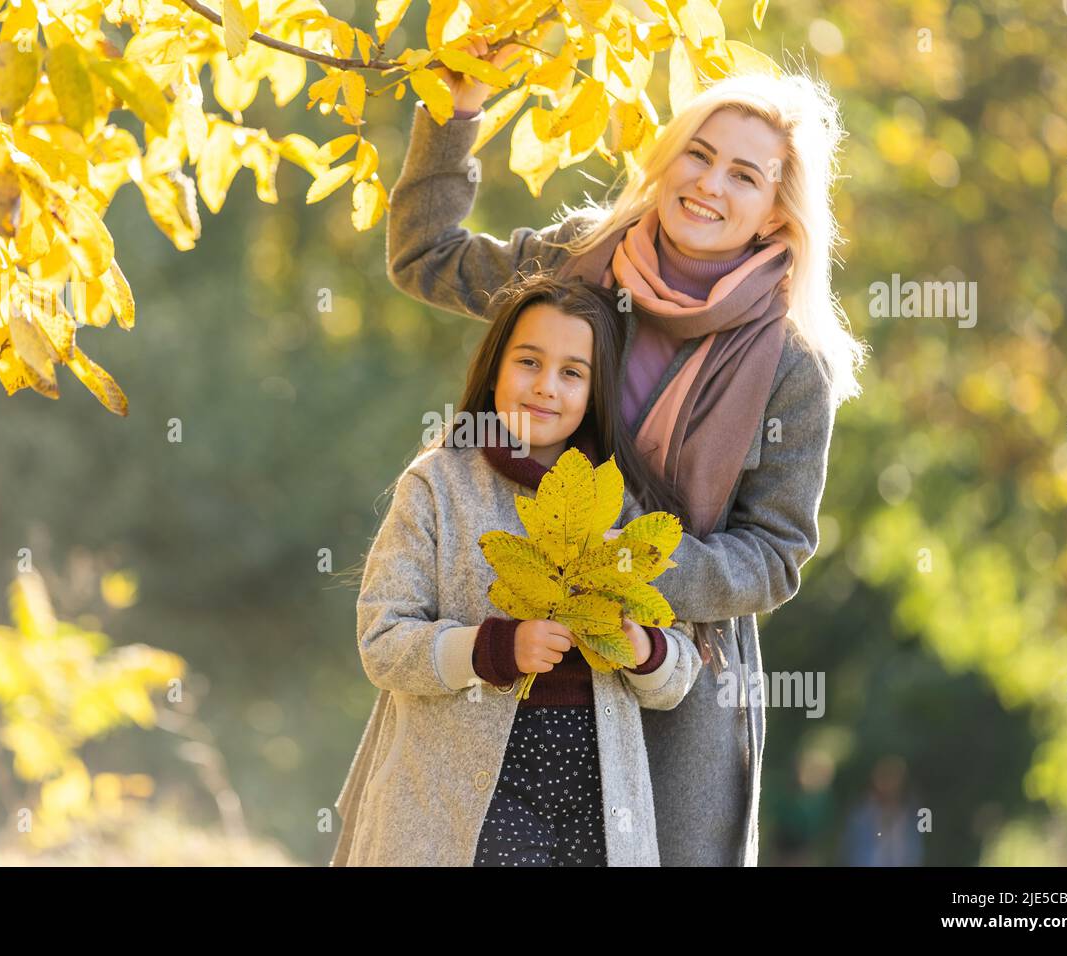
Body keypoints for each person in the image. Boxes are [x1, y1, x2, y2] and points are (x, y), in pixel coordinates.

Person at [385, 38, 868, 865]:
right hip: (510, 631)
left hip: (669, 670)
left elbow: (775, 555)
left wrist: (636, 573)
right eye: (699, 155)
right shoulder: (585, 255)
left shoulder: (794, 364)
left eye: (744, 176)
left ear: (778, 213)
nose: (709, 185)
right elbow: (425, 258)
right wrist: (452, 113)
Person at [332, 275, 700, 866]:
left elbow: (681, 670)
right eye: (529, 361)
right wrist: (495, 648)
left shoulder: (622, 502)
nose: (546, 387)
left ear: (595, 391)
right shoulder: (439, 484)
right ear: (496, 366)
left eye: (572, 373)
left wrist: (643, 650)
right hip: (464, 798)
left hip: (598, 805)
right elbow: (382, 641)